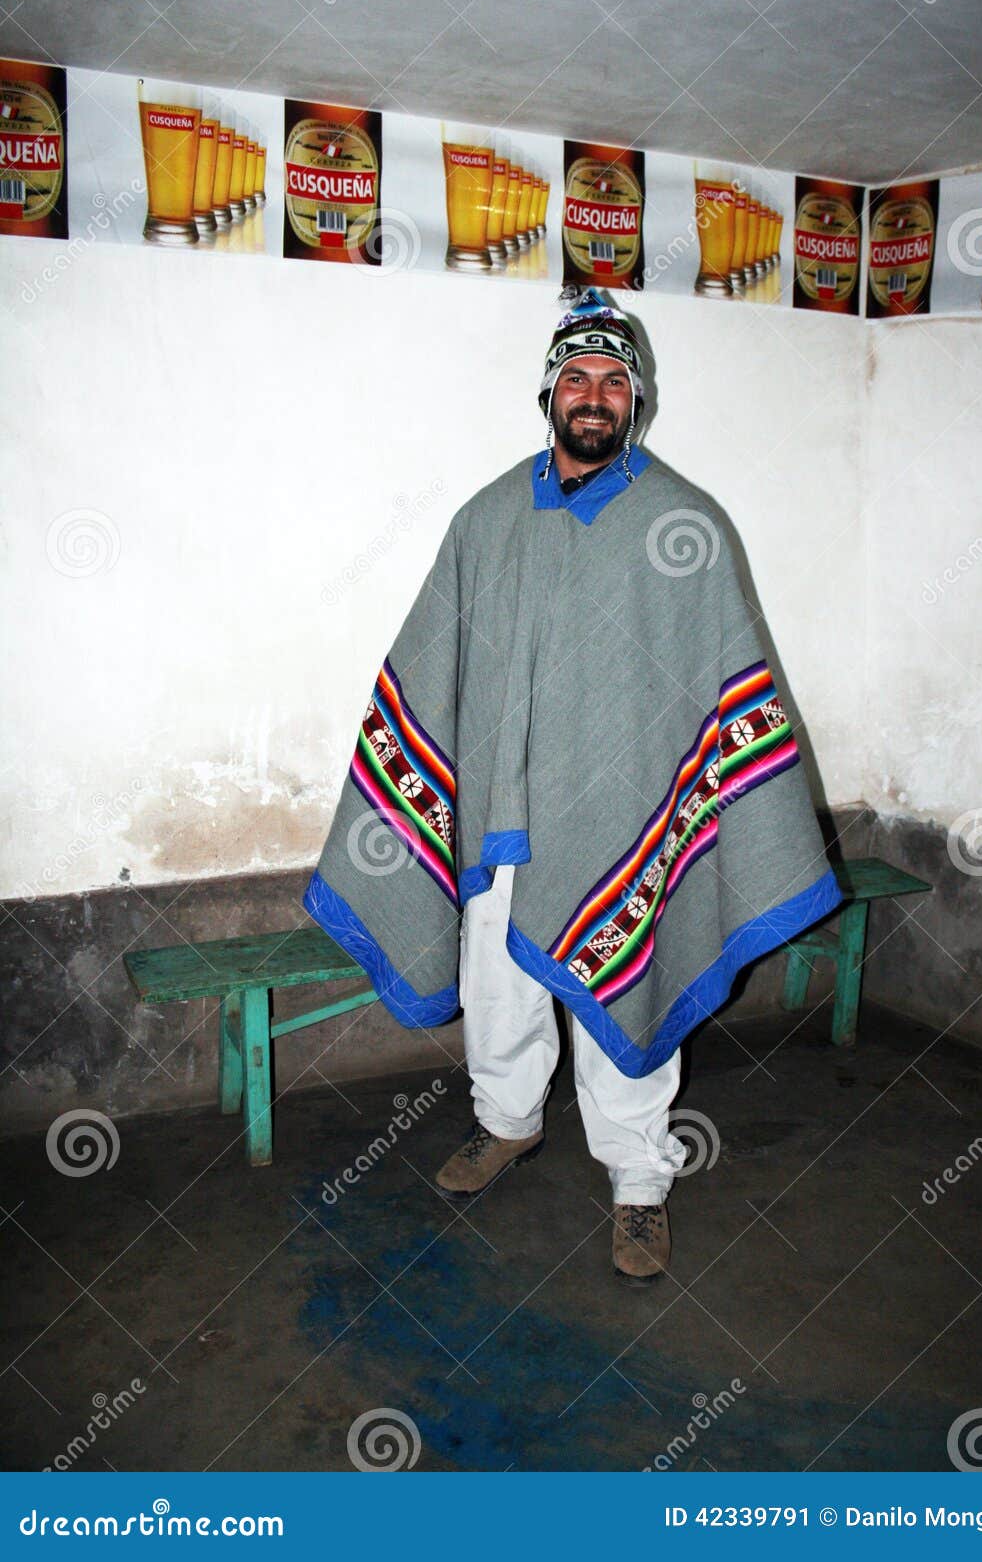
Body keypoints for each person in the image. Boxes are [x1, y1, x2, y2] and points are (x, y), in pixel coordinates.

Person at [304, 291, 842, 1284]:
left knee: (623, 987)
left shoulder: (685, 524)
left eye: (611, 380)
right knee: (496, 985)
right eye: (575, 378)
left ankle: (638, 1182)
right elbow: (436, 661)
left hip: (623, 821)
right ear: (546, 392)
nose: (592, 395)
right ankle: (506, 1125)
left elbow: (717, 686)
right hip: (501, 825)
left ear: (635, 398)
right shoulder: (485, 520)